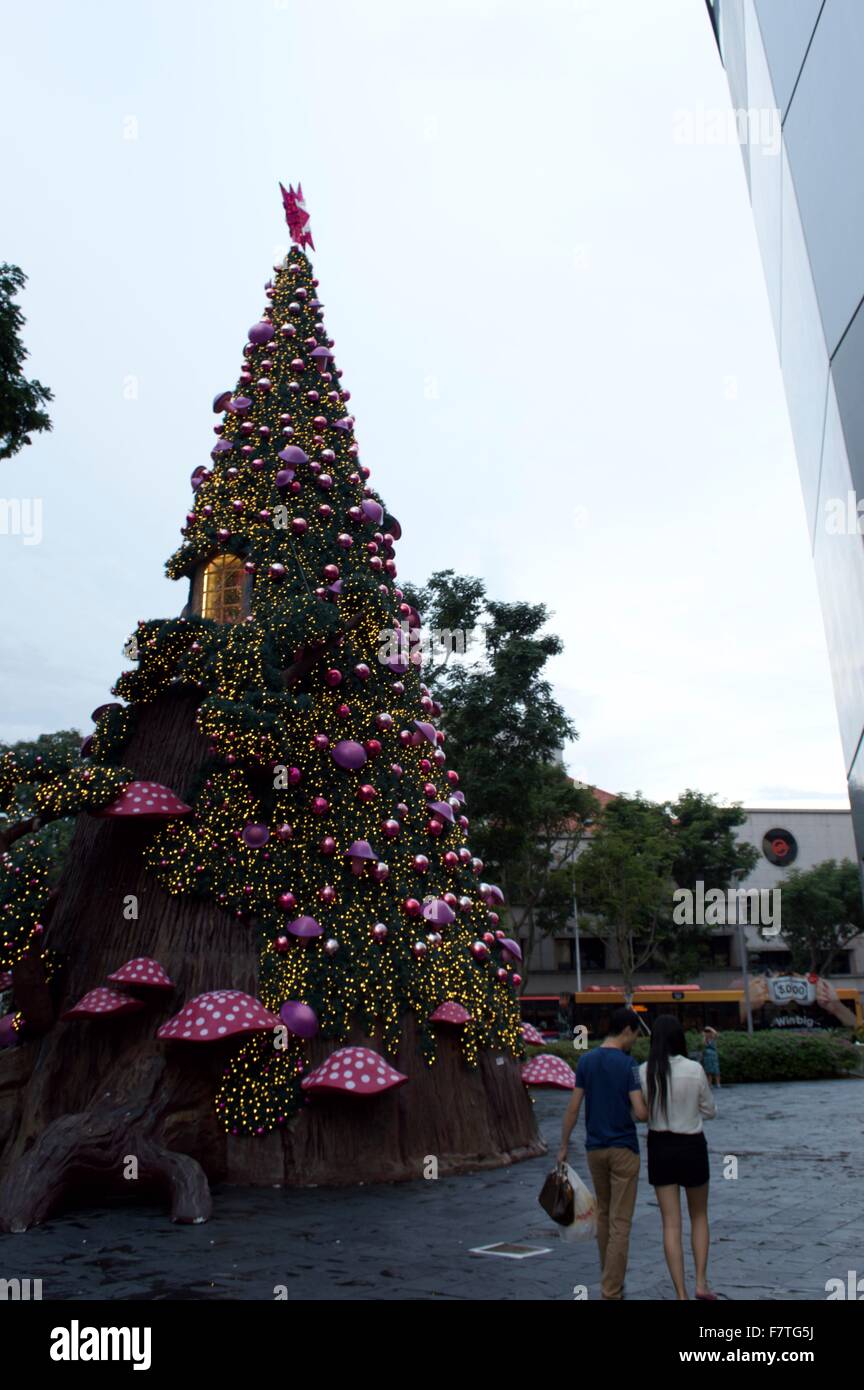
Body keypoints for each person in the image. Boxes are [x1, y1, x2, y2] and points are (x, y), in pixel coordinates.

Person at [557, 1007, 647, 1300]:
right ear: (627, 1031)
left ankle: (609, 1276)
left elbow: (573, 1107)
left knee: (605, 1215)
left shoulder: (586, 1060)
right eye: (635, 1033)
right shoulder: (628, 1065)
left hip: (594, 1150)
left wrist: (563, 1145)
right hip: (623, 1148)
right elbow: (641, 1111)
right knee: (621, 1221)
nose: (635, 1039)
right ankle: (611, 1289)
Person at [639, 1014, 717, 1301]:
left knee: (670, 1222)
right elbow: (710, 1110)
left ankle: (681, 1294)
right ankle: (700, 1282)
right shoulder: (694, 1070)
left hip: (660, 1146)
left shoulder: (644, 1071)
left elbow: (640, 1112)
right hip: (692, 1145)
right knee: (699, 1215)